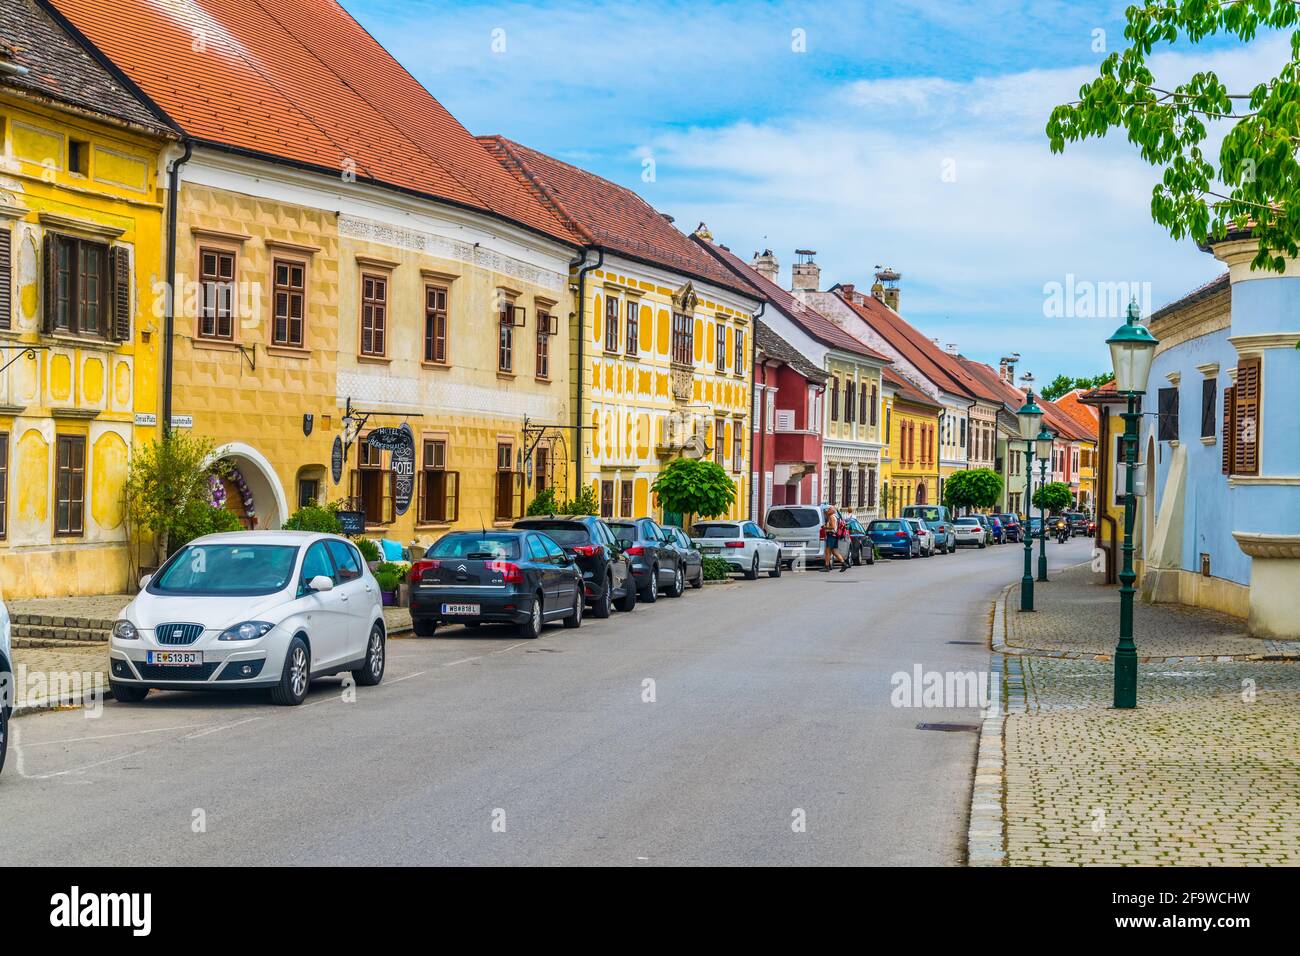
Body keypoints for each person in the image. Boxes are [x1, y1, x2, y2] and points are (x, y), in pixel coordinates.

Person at [822, 507, 850, 573]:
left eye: (829, 510)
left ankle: (826, 567)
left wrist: (825, 527)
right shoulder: (836, 517)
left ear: (832, 511)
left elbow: (833, 527)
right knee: (835, 552)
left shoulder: (832, 517)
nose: (828, 510)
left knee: (827, 551)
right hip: (835, 536)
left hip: (831, 535)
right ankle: (844, 564)